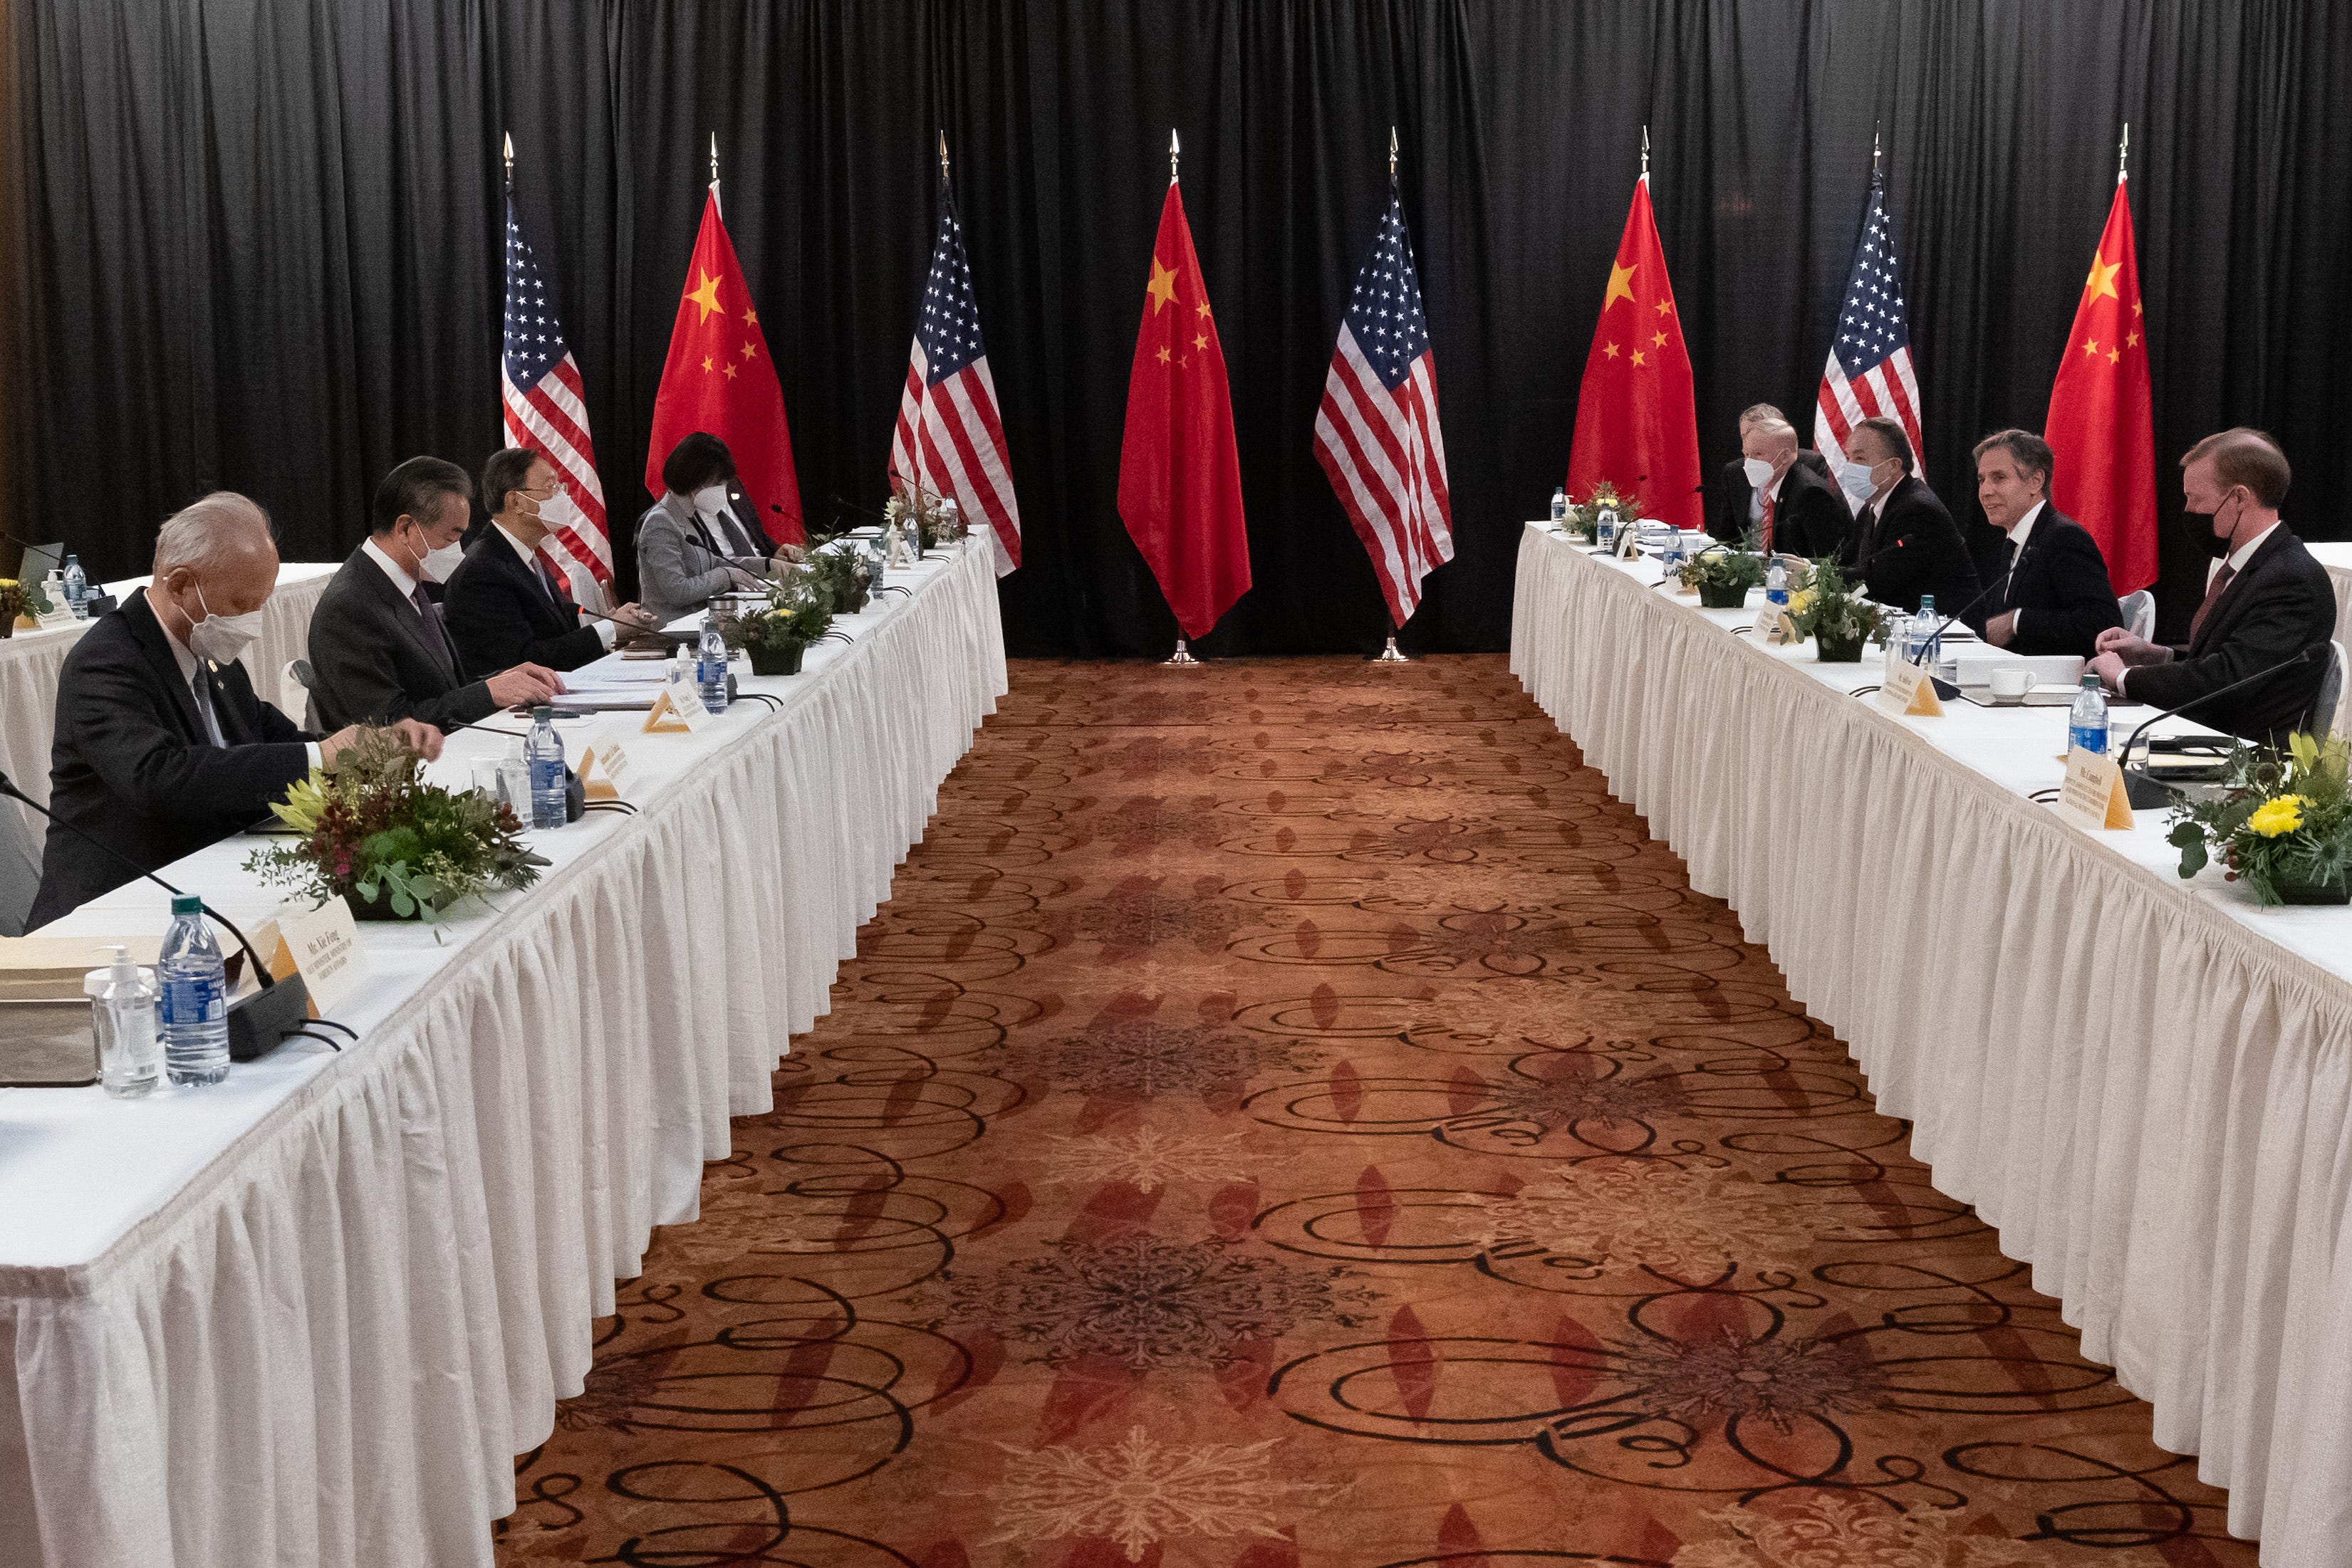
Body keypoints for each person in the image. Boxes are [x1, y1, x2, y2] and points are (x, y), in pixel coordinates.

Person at [27, 493, 442, 928]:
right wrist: (322, 758)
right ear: (182, 584)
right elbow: (157, 777)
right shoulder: (106, 662)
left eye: (261, 604)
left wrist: (368, 748)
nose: (253, 625)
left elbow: (270, 739)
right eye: (242, 605)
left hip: (207, 886)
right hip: (112, 911)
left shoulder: (210, 655)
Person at [2089, 428, 2335, 741]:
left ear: (2239, 498)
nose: (2189, 511)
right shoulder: (2251, 566)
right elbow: (2224, 660)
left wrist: (2123, 676)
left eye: (2195, 498)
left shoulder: (2291, 580)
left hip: (2243, 760)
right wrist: (2156, 655)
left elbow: (2228, 680)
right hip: (2206, 738)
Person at [306, 456, 564, 731]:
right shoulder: (351, 607)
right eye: (451, 539)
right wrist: (488, 694)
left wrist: (504, 679)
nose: (458, 550)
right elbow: (389, 725)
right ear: (406, 528)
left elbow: (442, 686)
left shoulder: (406, 582)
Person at [443, 449, 657, 674]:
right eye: (551, 488)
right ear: (515, 502)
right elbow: (524, 660)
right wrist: (610, 629)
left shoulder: (524, 555)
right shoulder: (482, 571)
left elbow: (557, 622)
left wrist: (613, 619)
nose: (563, 496)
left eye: (560, 487)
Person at [1968, 429, 2122, 656]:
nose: (1986, 491)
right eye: (1982, 480)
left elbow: (2102, 623)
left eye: (1999, 478)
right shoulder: (2016, 540)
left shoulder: (2063, 538)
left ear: (2035, 481)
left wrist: (2018, 622)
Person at [636, 432, 789, 624]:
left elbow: (715, 563)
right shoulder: (660, 523)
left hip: (700, 623)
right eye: (718, 483)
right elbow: (677, 591)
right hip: (672, 631)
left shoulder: (689, 513)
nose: (724, 488)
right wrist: (724, 576)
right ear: (695, 480)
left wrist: (768, 565)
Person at [1835, 415, 1980, 614]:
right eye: (1848, 457)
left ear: (1893, 465)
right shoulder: (1870, 509)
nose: (1850, 466)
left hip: (1945, 632)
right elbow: (1848, 562)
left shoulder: (1917, 510)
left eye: (1859, 458)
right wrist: (1809, 567)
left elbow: (1882, 581)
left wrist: (1818, 577)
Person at [1709, 402, 1832, 543]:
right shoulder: (1735, 471)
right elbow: (1726, 534)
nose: (1750, 444)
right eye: (1745, 437)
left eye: (1759, 435)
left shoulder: (1807, 477)